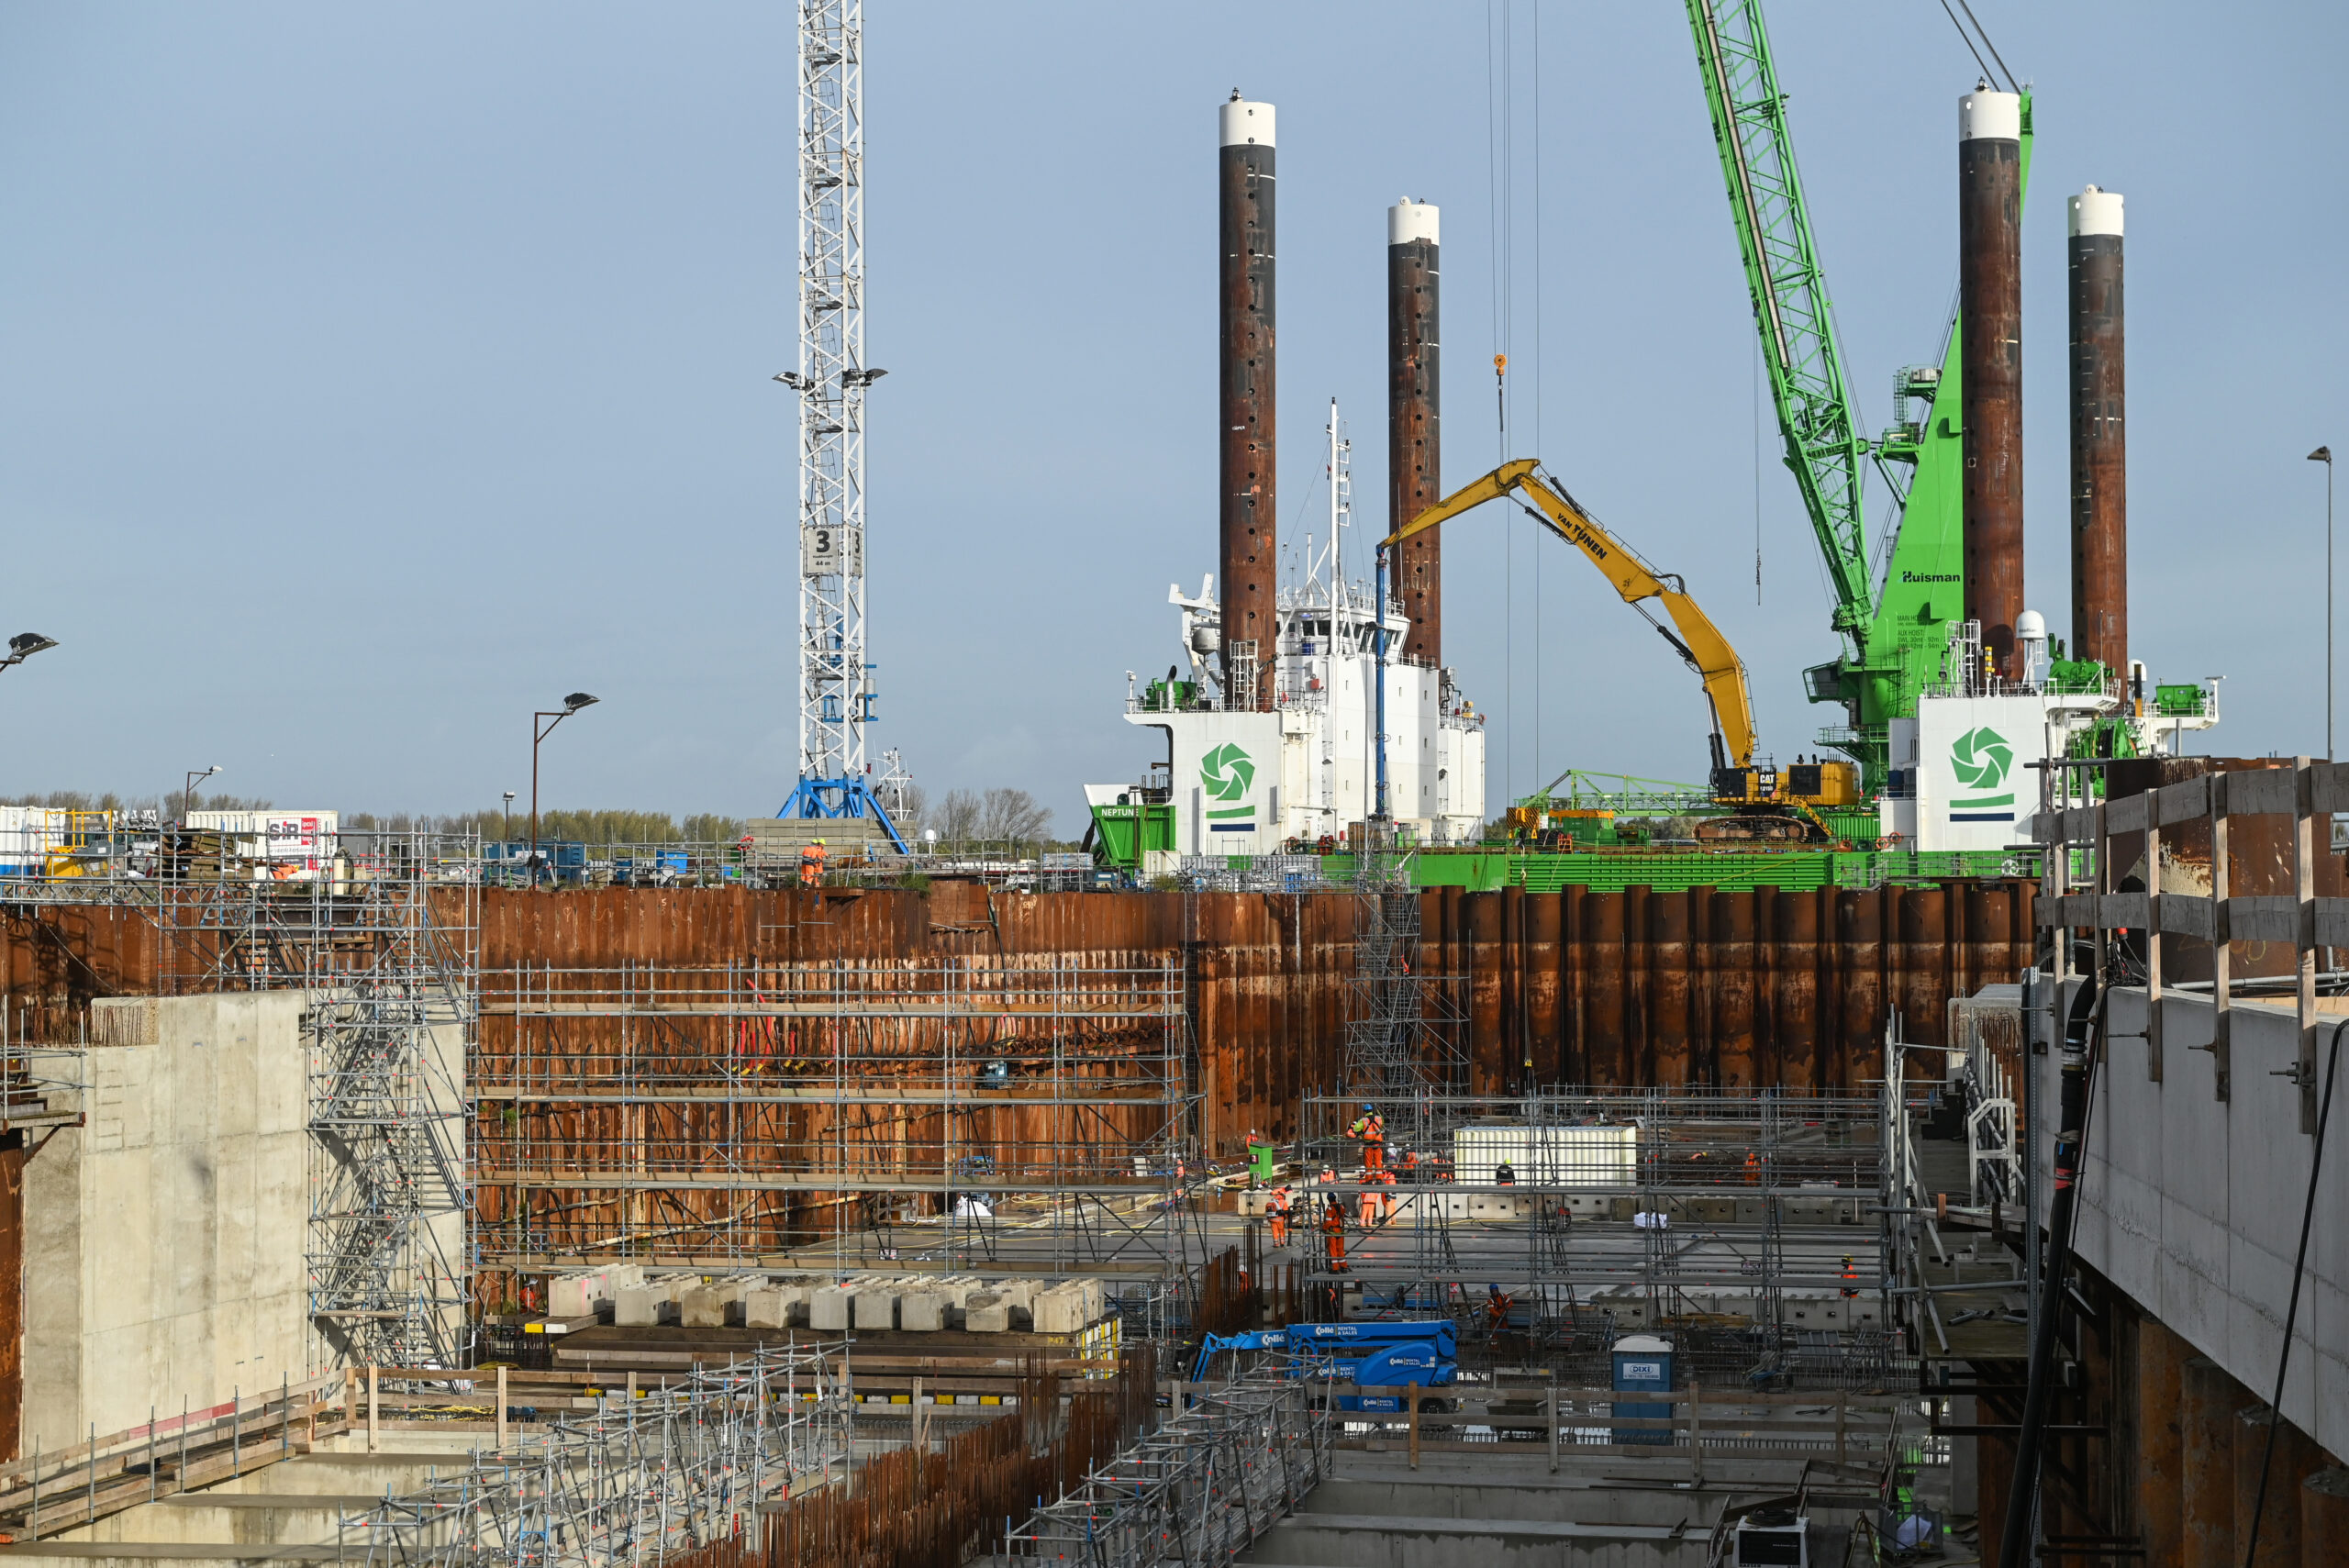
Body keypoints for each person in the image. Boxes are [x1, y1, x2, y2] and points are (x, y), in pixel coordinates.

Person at [1347, 1103, 1386, 1172]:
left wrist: (1357, 1125)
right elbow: (1382, 1122)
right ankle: (1379, 1179)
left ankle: (1369, 1180)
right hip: (1377, 1144)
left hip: (1368, 1144)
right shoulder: (1379, 1118)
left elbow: (1355, 1129)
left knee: (1368, 1163)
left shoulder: (1363, 1120)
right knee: (1378, 1162)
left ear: (1364, 1111)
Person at [1322, 1194, 1349, 1273]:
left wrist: (1324, 1228)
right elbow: (1343, 1215)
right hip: (1340, 1232)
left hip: (1333, 1232)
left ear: (1328, 1200)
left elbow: (1328, 1222)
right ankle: (1344, 1267)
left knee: (1333, 1251)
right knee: (1340, 1250)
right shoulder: (1341, 1207)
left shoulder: (1329, 1209)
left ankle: (1335, 1268)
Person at [1266, 1184, 1290, 1248]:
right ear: (1283, 1196)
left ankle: (1276, 1244)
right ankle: (1282, 1243)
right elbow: (1286, 1212)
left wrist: (1268, 1219)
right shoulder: (1284, 1202)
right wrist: (1287, 1218)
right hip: (1280, 1219)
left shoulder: (1272, 1201)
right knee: (1281, 1230)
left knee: (1275, 1232)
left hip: (1272, 1219)